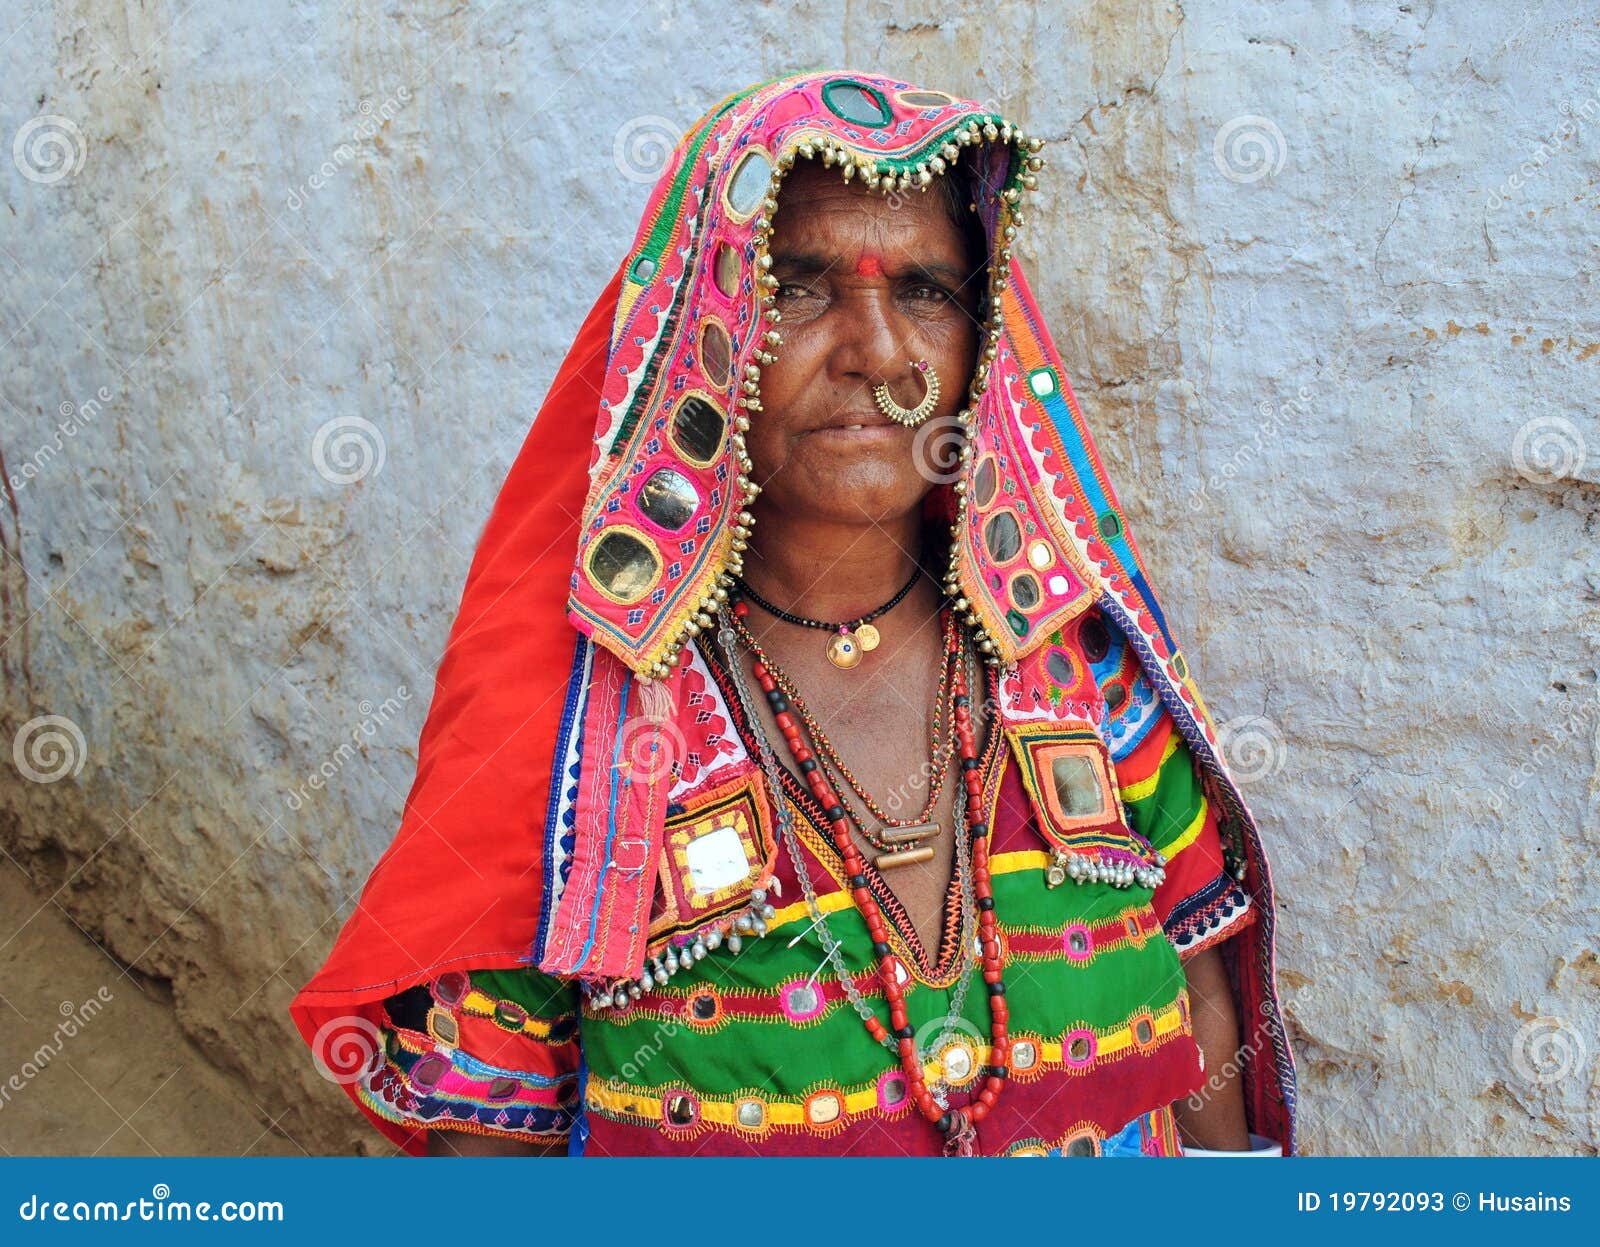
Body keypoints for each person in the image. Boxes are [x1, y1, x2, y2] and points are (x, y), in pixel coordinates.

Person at [289, 70, 1298, 1158]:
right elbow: (491, 1141)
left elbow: (1204, 993)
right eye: (802, 287)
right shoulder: (577, 737)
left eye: (924, 290)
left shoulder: (1080, 671)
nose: (877, 350)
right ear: (704, 337)